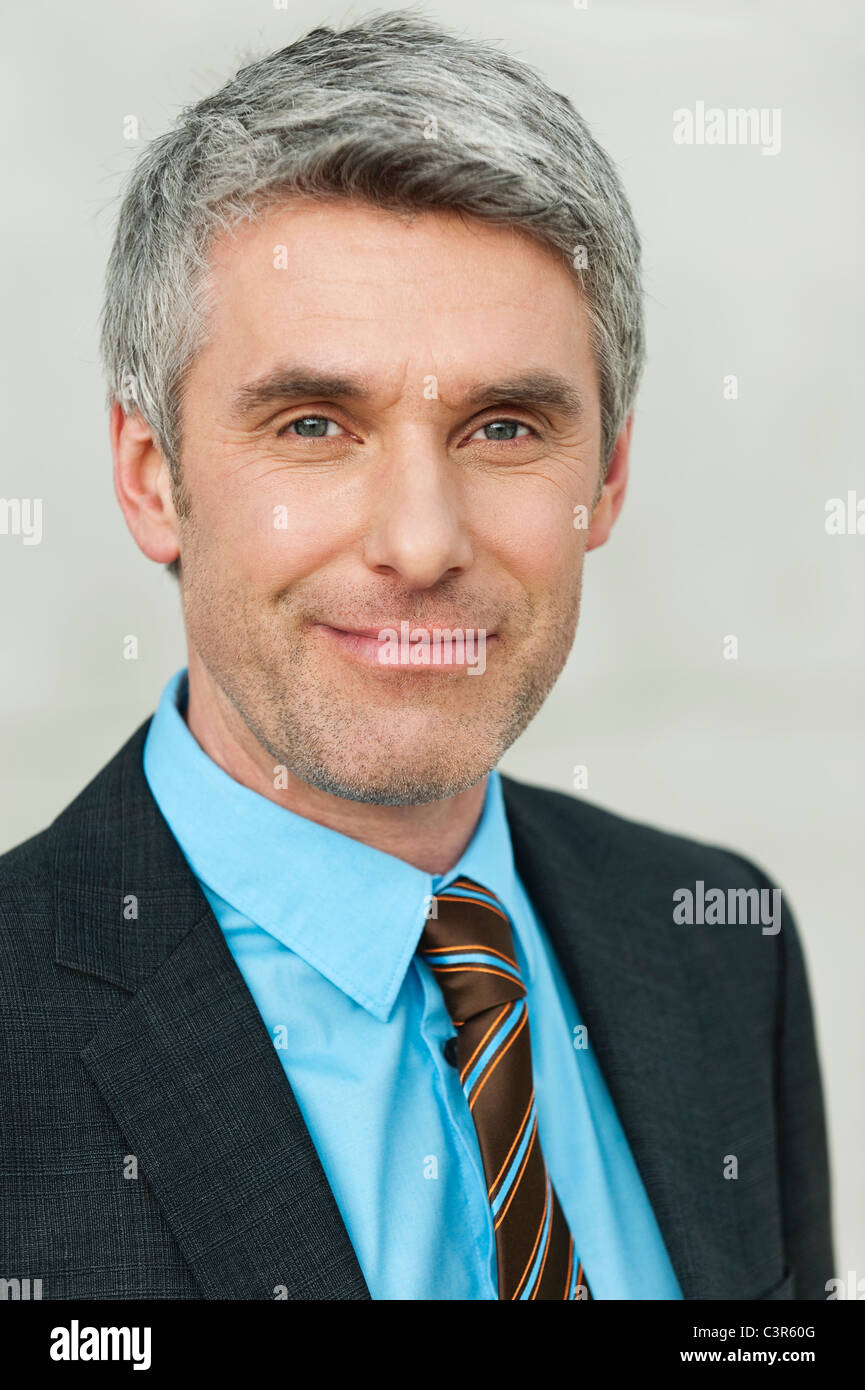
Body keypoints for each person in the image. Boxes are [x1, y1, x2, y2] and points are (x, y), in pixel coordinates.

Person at [0, 11, 833, 1300]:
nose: (423, 540)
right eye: (317, 423)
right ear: (152, 476)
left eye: (505, 426)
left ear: (605, 480)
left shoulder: (721, 949)